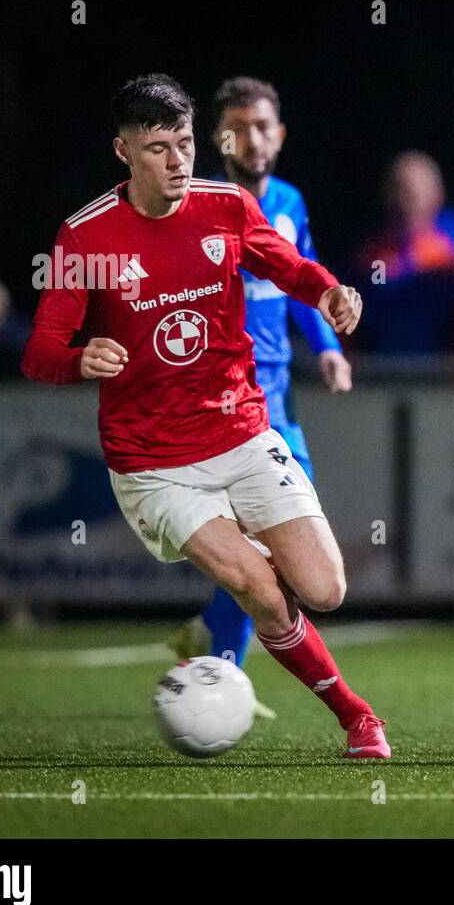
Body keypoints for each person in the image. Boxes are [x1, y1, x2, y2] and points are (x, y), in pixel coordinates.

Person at [20, 74, 389, 759]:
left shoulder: (226, 207)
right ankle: (357, 717)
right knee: (258, 586)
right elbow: (39, 352)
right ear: (124, 152)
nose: (177, 160)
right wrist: (78, 360)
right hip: (154, 463)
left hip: (243, 432)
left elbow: (291, 268)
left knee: (326, 588)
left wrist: (331, 294)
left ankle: (218, 641)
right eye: (159, 147)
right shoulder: (85, 237)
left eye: (185, 143)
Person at [166, 76, 355, 709]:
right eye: (239, 126)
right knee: (258, 544)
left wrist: (327, 348)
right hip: (218, 393)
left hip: (277, 394)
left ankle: (213, 639)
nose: (254, 138)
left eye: (264, 125)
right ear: (218, 137)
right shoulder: (190, 206)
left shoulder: (290, 202)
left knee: (285, 539)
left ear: (280, 133)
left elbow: (301, 281)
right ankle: (224, 671)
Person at [350, 150, 454, 356]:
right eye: (401, 189)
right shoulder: (370, 251)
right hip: (380, 373)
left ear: (438, 192)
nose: (409, 198)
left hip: (447, 373)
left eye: (418, 190)